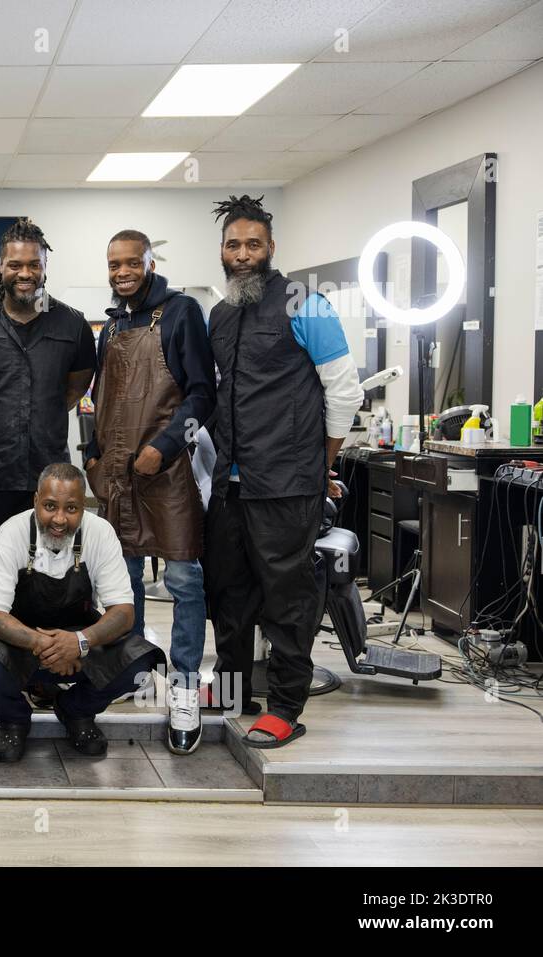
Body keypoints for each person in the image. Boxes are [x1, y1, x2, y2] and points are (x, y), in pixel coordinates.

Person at [202, 195, 364, 748]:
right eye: (233, 245)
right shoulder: (220, 315)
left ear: (271, 249)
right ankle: (231, 691)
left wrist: (322, 463)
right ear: (222, 251)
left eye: (253, 245)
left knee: (286, 598)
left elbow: (344, 390)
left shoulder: (306, 305)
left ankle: (287, 705)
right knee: (229, 593)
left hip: (288, 484)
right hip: (231, 482)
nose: (242, 254)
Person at [83, 229, 216, 755]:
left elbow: (204, 395)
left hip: (169, 472)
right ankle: (132, 673)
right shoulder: (111, 326)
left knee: (184, 579)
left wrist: (164, 447)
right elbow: (96, 398)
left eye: (131, 262)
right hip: (115, 473)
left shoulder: (182, 312)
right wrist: (91, 455)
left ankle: (185, 688)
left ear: (151, 262)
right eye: (113, 264)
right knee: (123, 580)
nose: (121, 272)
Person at [0, 218, 95, 645]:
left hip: (48, 475)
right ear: (1, 267)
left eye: (34, 264)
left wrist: (40, 412)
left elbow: (77, 384)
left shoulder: (73, 325)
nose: (24, 273)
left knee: (46, 569)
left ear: (45, 265)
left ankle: (40, 656)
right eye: (15, 265)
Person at [0, 464, 165, 762]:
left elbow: (123, 612)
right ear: (36, 500)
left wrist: (79, 642)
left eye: (71, 508)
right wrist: (45, 645)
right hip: (23, 644)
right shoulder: (11, 532)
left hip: (82, 647)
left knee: (141, 661)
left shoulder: (101, 533)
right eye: (50, 506)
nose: (60, 519)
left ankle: (77, 710)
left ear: (84, 505)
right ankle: (14, 720)